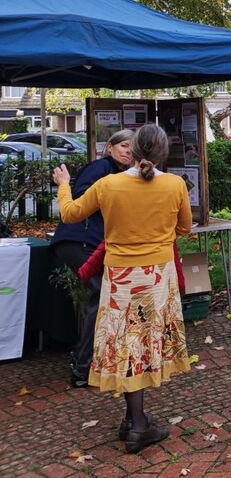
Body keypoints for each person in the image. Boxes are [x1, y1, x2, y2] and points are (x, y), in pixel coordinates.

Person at [52, 124, 191, 454]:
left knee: (128, 344)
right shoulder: (175, 185)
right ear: (161, 153)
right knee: (143, 344)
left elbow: (70, 214)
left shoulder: (108, 184)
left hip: (121, 277)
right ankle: (138, 424)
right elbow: (183, 227)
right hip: (157, 276)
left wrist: (64, 185)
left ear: (133, 149)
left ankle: (135, 420)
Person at [50, 129, 134, 388]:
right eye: (123, 146)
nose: (128, 151)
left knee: (105, 294)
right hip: (78, 240)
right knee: (102, 294)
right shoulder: (101, 167)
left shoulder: (123, 174)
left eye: (132, 148)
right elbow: (83, 194)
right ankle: (82, 365)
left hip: (90, 242)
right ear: (110, 147)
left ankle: (95, 358)